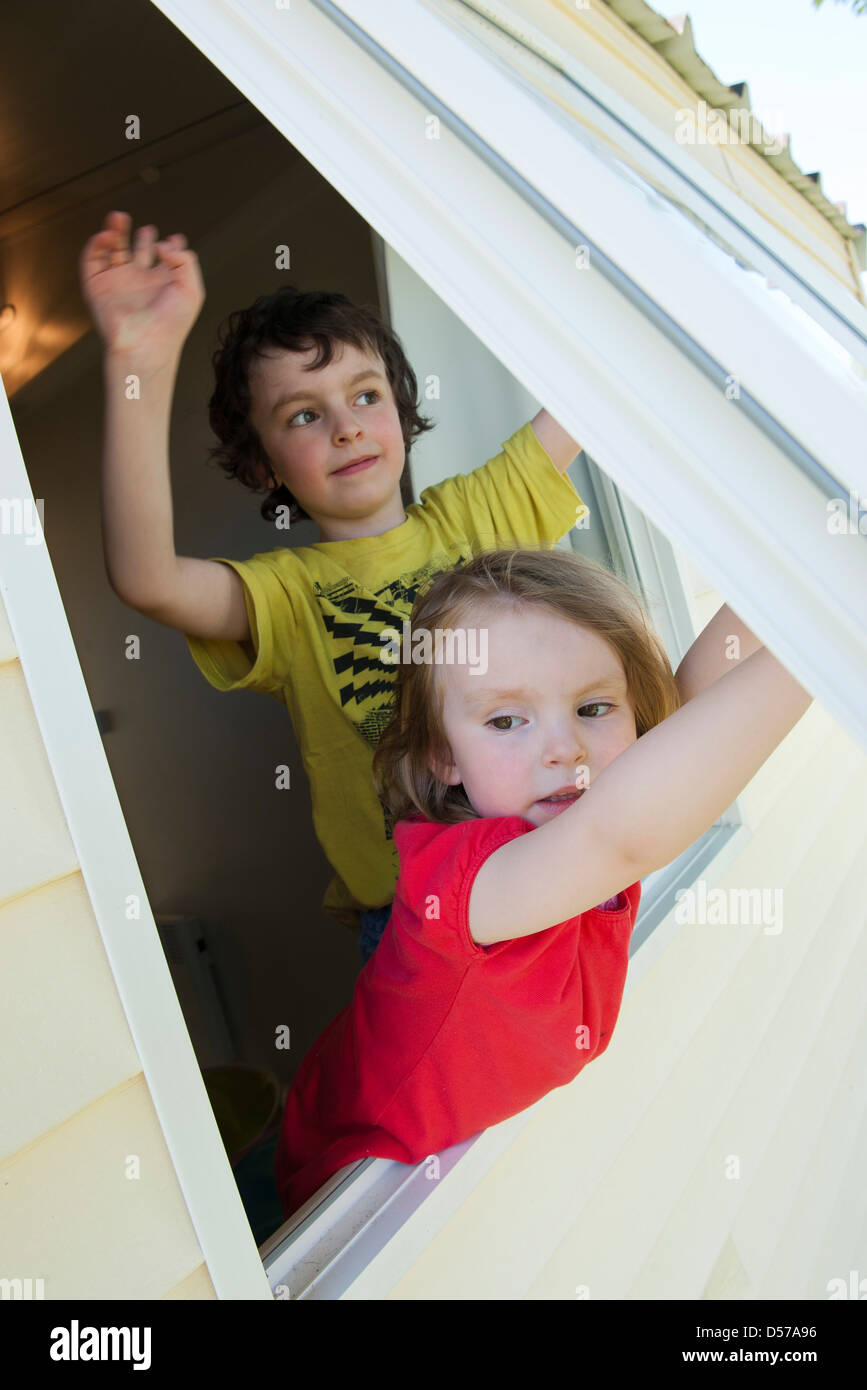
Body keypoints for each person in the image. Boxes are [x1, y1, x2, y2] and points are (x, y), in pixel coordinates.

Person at [79, 211, 590, 958]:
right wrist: (137, 362)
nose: (346, 428)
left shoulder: (479, 515)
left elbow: (589, 388)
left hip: (544, 863)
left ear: (401, 410)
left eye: (365, 396)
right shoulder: (286, 596)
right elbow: (145, 578)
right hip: (411, 922)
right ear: (264, 466)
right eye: (304, 416)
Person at [273, 546, 812, 1220]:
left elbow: (686, 717)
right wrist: (830, 628)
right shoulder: (465, 883)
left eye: (593, 709)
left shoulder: (590, 805)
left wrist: (812, 562)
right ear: (442, 755)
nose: (565, 748)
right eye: (506, 721)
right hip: (341, 1188)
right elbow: (621, 835)